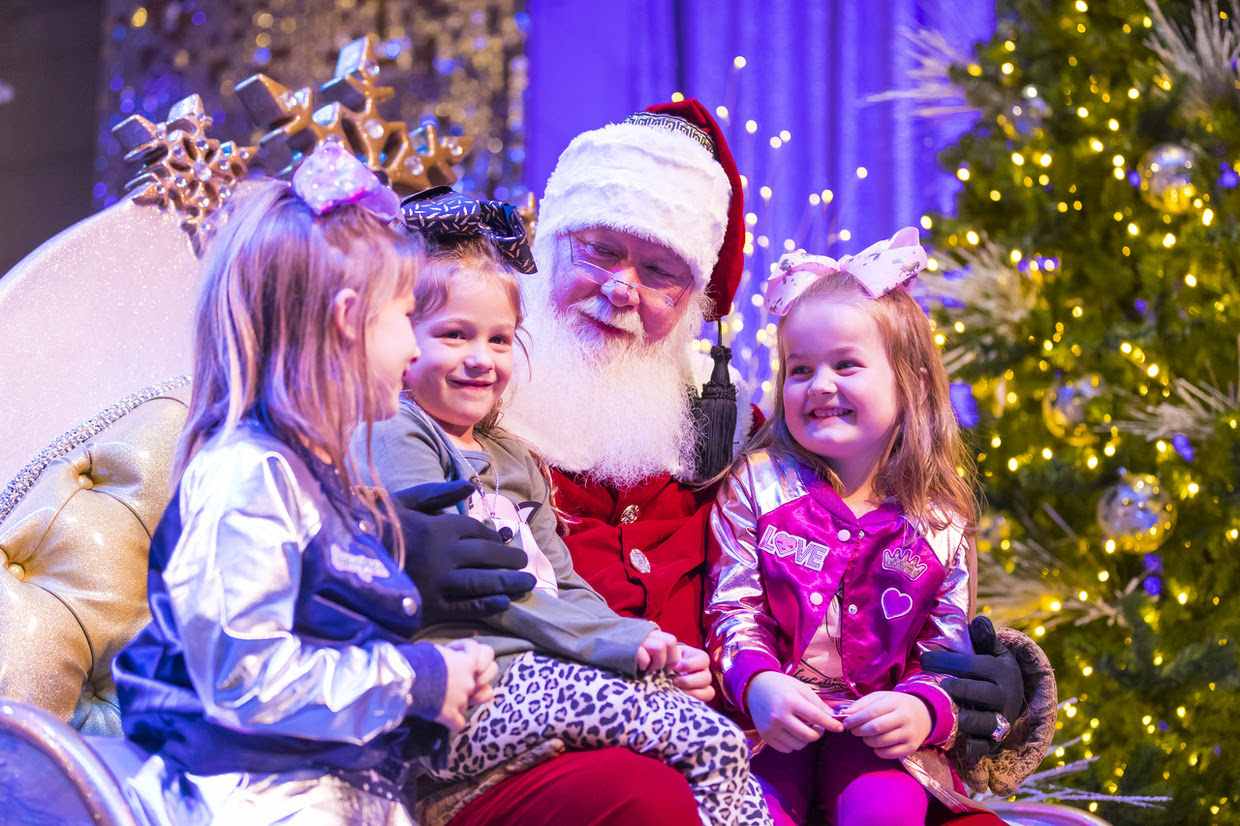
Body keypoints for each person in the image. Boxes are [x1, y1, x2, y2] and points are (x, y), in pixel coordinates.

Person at [402, 100, 1054, 826]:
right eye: (600, 250)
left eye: (659, 270)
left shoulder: (741, 444)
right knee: (650, 804)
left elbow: (866, 552)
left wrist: (985, 684)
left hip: (764, 749)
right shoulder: (459, 407)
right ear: (549, 245)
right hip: (534, 759)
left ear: (693, 303)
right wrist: (388, 554)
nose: (623, 289)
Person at [111, 142, 496, 826]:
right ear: (349, 318)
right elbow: (244, 679)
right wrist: (418, 679)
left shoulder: (316, 482)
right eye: (406, 314)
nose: (414, 347)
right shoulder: (246, 476)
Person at [358, 188, 770, 826]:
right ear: (398, 339)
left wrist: (647, 646)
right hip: (466, 692)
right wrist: (622, 644)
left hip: (547, 681)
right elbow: (484, 588)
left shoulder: (516, 455)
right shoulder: (397, 432)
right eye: (454, 335)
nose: (480, 359)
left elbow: (564, 579)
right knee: (705, 743)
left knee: (711, 741)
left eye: (499, 340)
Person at [706, 230, 992, 825]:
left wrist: (924, 709)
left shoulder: (940, 518)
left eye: (846, 365)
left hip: (883, 738)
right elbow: (732, 609)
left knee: (882, 813)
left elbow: (948, 645)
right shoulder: (756, 485)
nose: (821, 386)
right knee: (748, 812)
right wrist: (758, 685)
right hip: (771, 724)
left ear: (908, 381)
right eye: (800, 369)